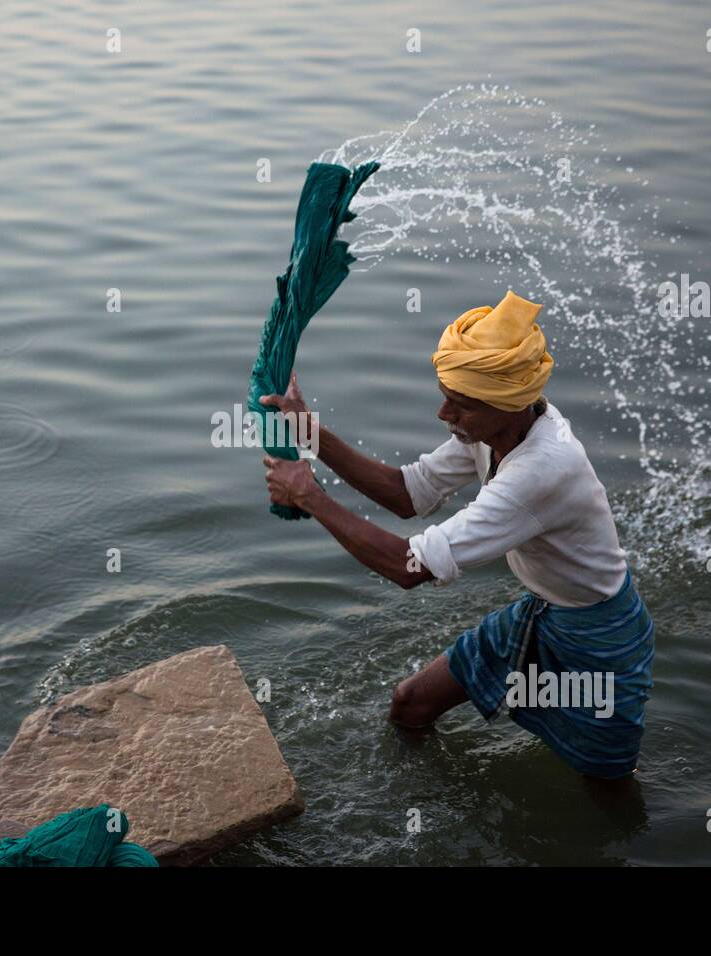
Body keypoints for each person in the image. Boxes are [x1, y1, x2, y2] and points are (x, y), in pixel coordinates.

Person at [260, 291, 654, 781]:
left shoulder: (540, 470)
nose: (444, 414)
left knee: (605, 783)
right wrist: (308, 430)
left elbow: (408, 569)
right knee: (410, 705)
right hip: (543, 611)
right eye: (446, 396)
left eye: (460, 405)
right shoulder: (493, 431)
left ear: (507, 405)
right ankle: (432, 799)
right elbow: (409, 493)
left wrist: (310, 497)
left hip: (598, 638)